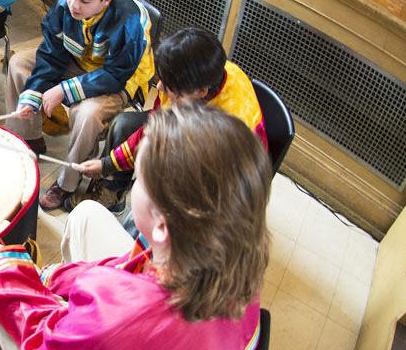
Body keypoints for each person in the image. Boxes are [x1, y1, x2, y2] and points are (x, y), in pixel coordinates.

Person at [0, 102, 270, 350]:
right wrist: (46, 281)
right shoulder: (232, 255)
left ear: (162, 225)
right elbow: (117, 284)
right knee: (87, 215)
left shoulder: (115, 320)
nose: (135, 182)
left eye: (139, 177)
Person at [6, 0, 154, 210]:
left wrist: (63, 89)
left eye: (84, 0)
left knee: (86, 114)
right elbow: (52, 53)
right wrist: (34, 93)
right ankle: (28, 138)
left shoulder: (129, 22)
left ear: (106, 0)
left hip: (119, 80)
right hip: (80, 63)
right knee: (19, 65)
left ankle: (67, 183)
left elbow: (116, 75)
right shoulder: (66, 3)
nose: (73, 4)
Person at [74, 27, 267, 212]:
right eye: (161, 79)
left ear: (200, 92)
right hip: (192, 134)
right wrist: (108, 164)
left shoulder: (230, 125)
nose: (159, 87)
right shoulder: (190, 76)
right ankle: (112, 194)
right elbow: (155, 126)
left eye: (169, 86)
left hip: (219, 178)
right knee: (123, 126)